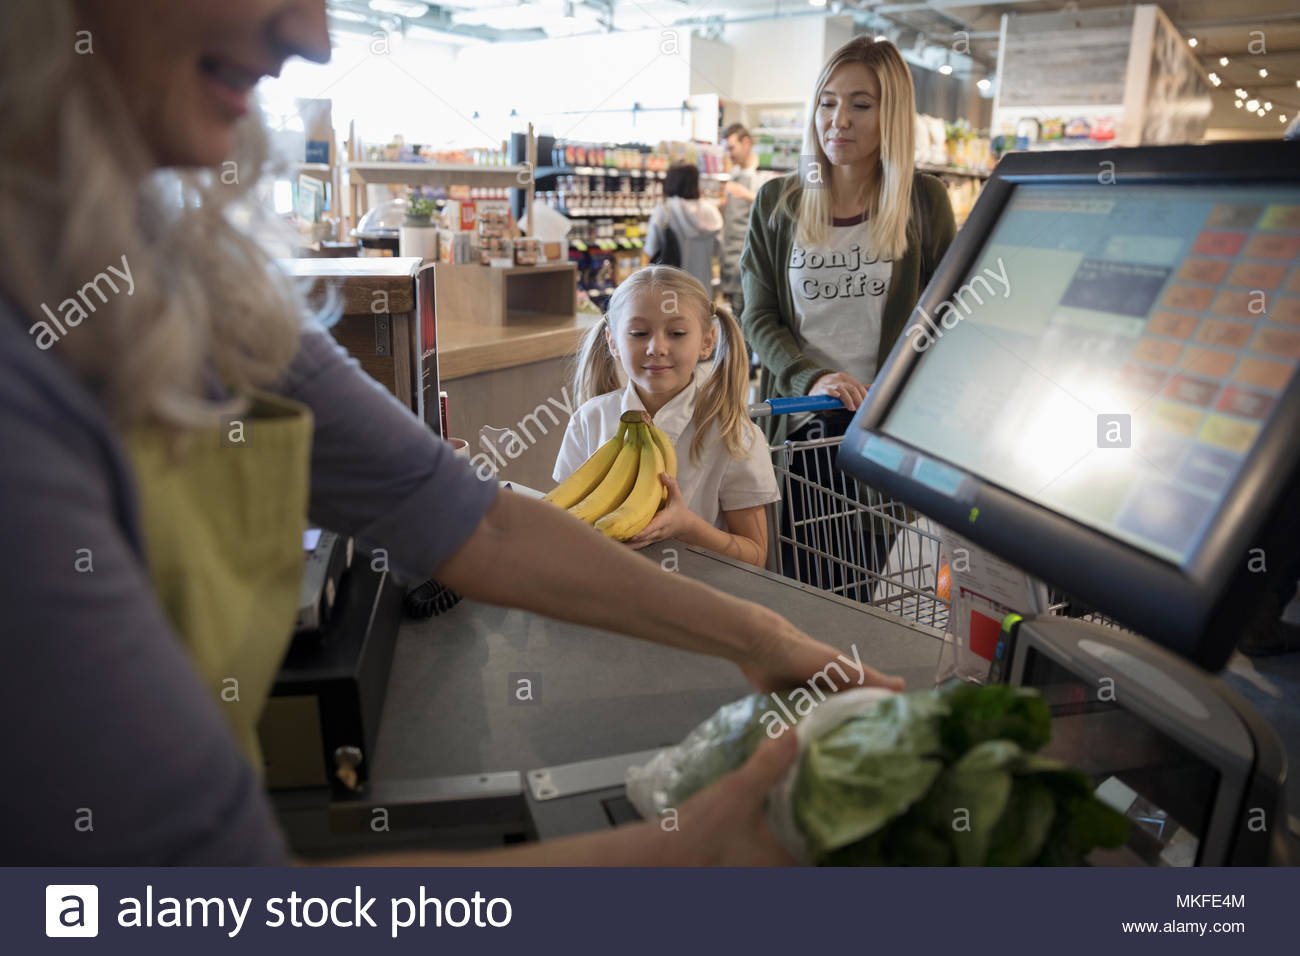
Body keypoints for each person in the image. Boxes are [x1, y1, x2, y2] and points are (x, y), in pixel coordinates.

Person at [0, 0, 905, 866]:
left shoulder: (186, 280)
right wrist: (694, 862)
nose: (312, 35)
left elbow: (471, 517)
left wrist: (758, 636)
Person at [739, 37, 956, 593]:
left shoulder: (923, 202)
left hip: (880, 432)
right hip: (801, 426)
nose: (839, 120)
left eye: (861, 104)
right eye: (827, 102)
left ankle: (844, 678)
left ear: (893, 116)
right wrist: (815, 377)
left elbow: (946, 313)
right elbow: (758, 315)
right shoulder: (779, 201)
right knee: (803, 587)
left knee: (861, 589)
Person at [555, 266, 778, 569]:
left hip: (701, 599)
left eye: (676, 333)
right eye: (638, 333)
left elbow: (755, 556)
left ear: (706, 342)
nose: (656, 348)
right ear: (613, 343)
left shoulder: (735, 436)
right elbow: (565, 518)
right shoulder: (588, 421)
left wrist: (688, 527)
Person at [645, 162, 723, 295]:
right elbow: (718, 251)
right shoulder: (711, 211)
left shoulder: (664, 211)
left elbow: (651, 249)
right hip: (702, 289)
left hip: (671, 291)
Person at [718, 123, 767, 323]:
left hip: (752, 262)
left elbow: (775, 209)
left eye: (732, 148)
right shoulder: (734, 175)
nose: (729, 154)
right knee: (736, 321)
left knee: (750, 323)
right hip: (730, 261)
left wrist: (746, 195)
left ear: (746, 143)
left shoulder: (763, 173)